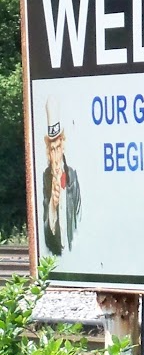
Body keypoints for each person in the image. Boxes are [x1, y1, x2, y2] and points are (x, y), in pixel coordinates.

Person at [40, 96, 81, 255]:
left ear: (63, 146)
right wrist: (52, 205)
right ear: (48, 152)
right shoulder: (45, 178)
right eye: (52, 149)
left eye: (58, 148)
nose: (55, 154)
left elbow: (78, 220)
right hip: (57, 254)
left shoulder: (72, 176)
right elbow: (45, 236)